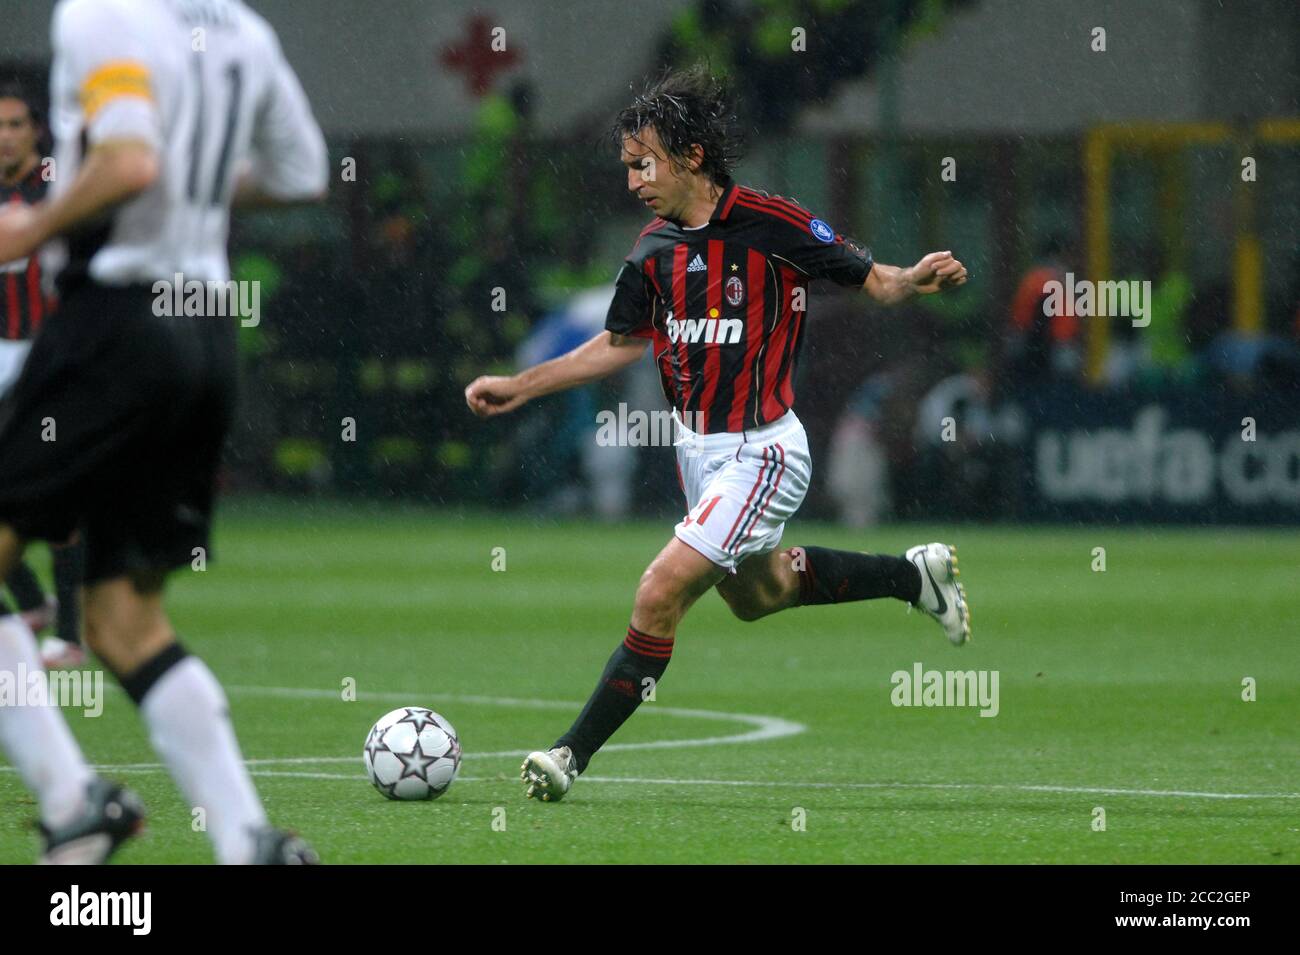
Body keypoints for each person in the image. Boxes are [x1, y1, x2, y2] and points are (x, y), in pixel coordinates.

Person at [464, 67, 971, 803]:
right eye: (628, 164)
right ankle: (914, 577)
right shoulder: (651, 252)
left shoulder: (774, 224)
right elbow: (617, 343)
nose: (635, 178)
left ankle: (568, 755)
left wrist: (917, 275)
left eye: (646, 162)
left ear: (692, 156)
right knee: (757, 595)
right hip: (698, 456)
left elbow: (877, 281)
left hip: (763, 449)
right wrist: (520, 385)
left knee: (659, 590)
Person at [0, 0, 327, 863]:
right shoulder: (245, 30)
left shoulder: (103, 14)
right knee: (121, 619)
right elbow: (300, 172)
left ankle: (74, 802)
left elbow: (132, 160)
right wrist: (195, 183)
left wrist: (30, 225)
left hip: (118, 318)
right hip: (206, 328)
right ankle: (247, 839)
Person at [0, 81, 87, 667]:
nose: (4, 137)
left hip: (48, 355)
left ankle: (71, 636)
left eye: (14, 125)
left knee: (53, 493)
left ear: (35, 132)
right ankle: (31, 602)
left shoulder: (61, 189)